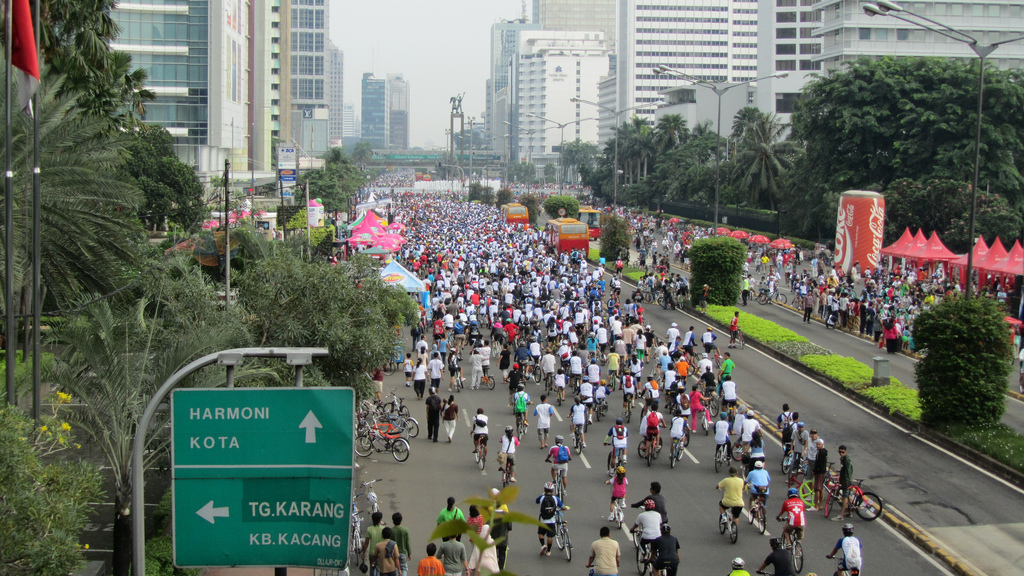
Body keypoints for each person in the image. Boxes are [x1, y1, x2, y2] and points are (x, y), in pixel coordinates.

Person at [535, 482, 566, 555]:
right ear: (552, 490)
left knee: (541, 533)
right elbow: (562, 506)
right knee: (550, 536)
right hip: (551, 520)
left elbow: (536, 501)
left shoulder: (542, 497)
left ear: (544, 489)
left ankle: (543, 545)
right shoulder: (555, 498)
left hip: (543, 520)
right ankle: (548, 551)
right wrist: (565, 508)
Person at [717, 467, 745, 533]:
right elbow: (743, 487)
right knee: (735, 517)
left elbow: (718, 486)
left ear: (729, 473)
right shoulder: (741, 480)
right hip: (739, 503)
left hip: (727, 502)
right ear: (737, 473)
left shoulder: (726, 480)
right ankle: (734, 529)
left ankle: (724, 517)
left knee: (721, 507)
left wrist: (719, 488)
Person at [362, 512, 386, 576]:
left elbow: (366, 542)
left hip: (372, 552)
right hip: (381, 552)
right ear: (380, 519)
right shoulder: (383, 529)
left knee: (372, 568)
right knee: (379, 569)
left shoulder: (369, 529)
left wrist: (363, 553)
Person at [835, 444, 854, 519]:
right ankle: (850, 512)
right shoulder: (843, 459)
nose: (841, 454)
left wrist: (846, 481)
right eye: (840, 452)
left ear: (846, 451)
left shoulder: (846, 460)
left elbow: (848, 471)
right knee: (848, 495)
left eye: (842, 452)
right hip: (845, 480)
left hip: (846, 481)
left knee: (845, 498)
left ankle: (841, 515)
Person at [812, 438, 828, 511]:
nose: (818, 446)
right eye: (817, 444)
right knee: (821, 488)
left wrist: (815, 471)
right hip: (823, 472)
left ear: (822, 445)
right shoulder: (824, 452)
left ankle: (816, 505)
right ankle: (820, 505)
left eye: (819, 444)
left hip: (819, 472)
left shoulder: (820, 453)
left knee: (817, 489)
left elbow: (818, 463)